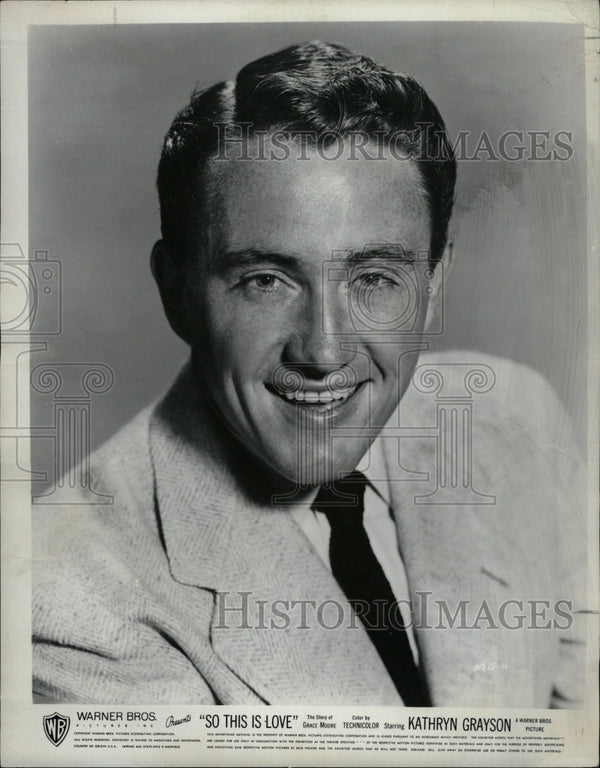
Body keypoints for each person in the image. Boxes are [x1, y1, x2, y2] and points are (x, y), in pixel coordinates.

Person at [32, 41, 586, 706]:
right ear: (176, 290)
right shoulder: (64, 600)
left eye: (375, 278)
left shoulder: (518, 418)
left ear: (434, 285)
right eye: (266, 280)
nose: (324, 352)